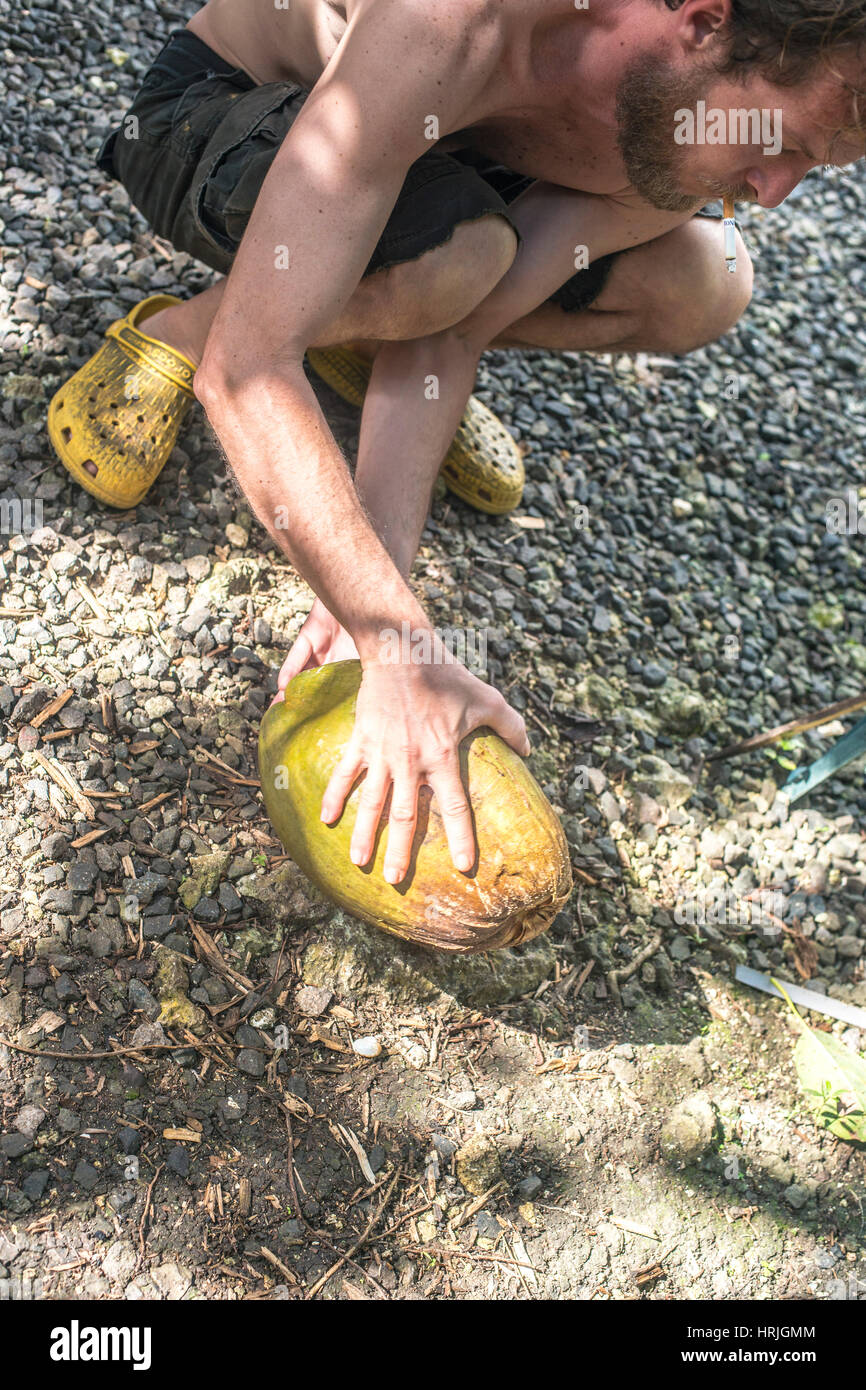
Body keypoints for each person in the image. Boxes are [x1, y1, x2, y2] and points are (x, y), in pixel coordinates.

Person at [48, 0, 863, 887]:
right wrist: (401, 648)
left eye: (814, 170)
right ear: (704, 23)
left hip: (444, 183)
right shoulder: (455, 17)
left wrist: (372, 594)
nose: (777, 190)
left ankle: (366, 313)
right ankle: (187, 329)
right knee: (450, 262)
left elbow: (460, 332)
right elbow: (251, 374)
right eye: (782, 142)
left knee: (711, 277)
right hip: (221, 113)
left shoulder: (670, 133)